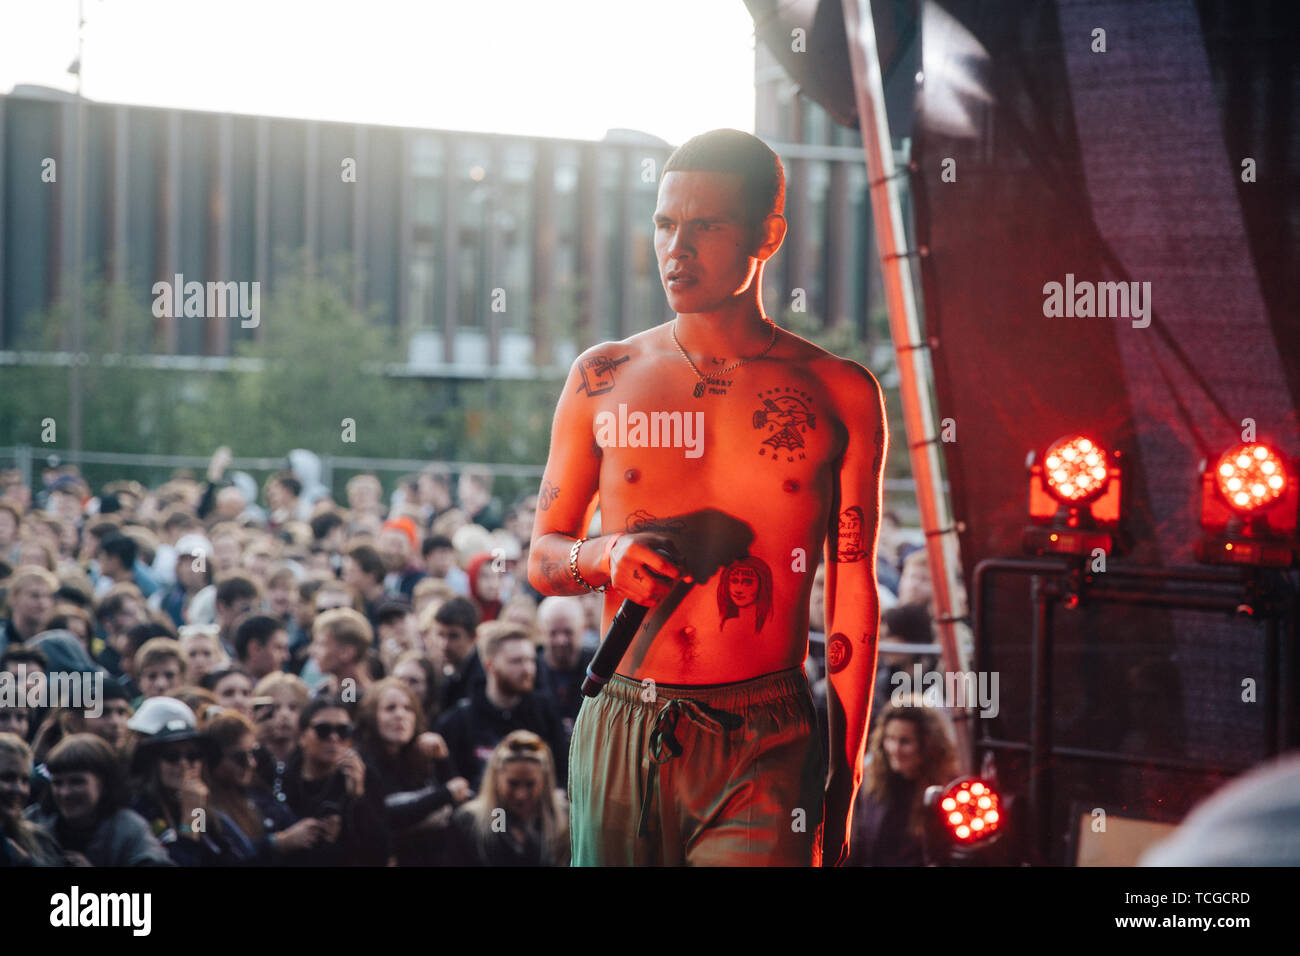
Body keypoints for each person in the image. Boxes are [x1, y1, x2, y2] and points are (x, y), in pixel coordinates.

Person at [528, 129, 886, 866]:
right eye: (664, 223)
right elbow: (542, 557)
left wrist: (846, 773)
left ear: (767, 235)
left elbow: (854, 586)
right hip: (625, 711)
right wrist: (607, 554)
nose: (676, 248)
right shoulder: (604, 375)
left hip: (768, 732)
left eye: (707, 226)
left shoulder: (839, 391)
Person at [434, 621, 567, 791]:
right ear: (490, 665)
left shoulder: (545, 712)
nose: (527, 669)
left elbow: (562, 775)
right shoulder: (459, 721)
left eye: (530, 660)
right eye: (516, 661)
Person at [354, 678, 471, 865]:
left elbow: (460, 803)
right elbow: (386, 817)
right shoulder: (362, 763)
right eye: (390, 708)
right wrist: (443, 795)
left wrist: (442, 760)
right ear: (372, 717)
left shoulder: (421, 757)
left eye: (408, 709)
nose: (400, 715)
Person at [127, 696, 251, 865]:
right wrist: (190, 820)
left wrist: (196, 813)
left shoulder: (205, 811)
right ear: (154, 764)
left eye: (193, 756)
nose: (184, 764)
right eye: (172, 757)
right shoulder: (139, 813)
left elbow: (239, 856)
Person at [278, 694, 390, 866]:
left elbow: (381, 852)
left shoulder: (364, 775)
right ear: (302, 736)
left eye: (343, 731)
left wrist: (357, 797)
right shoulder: (283, 778)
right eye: (323, 730)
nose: (334, 738)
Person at [28, 733, 173, 866]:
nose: (65, 793)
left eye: (77, 782)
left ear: (103, 783)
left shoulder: (129, 831)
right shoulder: (33, 824)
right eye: (58, 783)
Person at [203, 709, 325, 864]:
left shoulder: (258, 794)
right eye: (240, 757)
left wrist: (321, 829)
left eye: (252, 753)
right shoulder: (201, 808)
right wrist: (276, 843)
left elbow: (293, 827)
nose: (251, 764)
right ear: (214, 760)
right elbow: (218, 857)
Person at [848, 701, 957, 866]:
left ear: (926, 745)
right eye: (890, 739)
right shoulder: (870, 782)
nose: (895, 749)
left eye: (905, 741)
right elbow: (858, 843)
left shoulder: (944, 792)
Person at [445, 730, 569, 867]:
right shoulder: (469, 822)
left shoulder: (562, 821)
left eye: (530, 784)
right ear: (496, 778)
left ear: (545, 782)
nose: (521, 795)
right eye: (513, 784)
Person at [535, 596, 594, 738]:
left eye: (568, 632)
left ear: (582, 629)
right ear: (541, 632)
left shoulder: (599, 667)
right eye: (553, 633)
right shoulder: (529, 671)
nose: (561, 640)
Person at [0, 733, 62, 865]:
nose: (18, 789)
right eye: (7, 778)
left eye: (25, 780)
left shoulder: (39, 840)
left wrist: (24, 860)